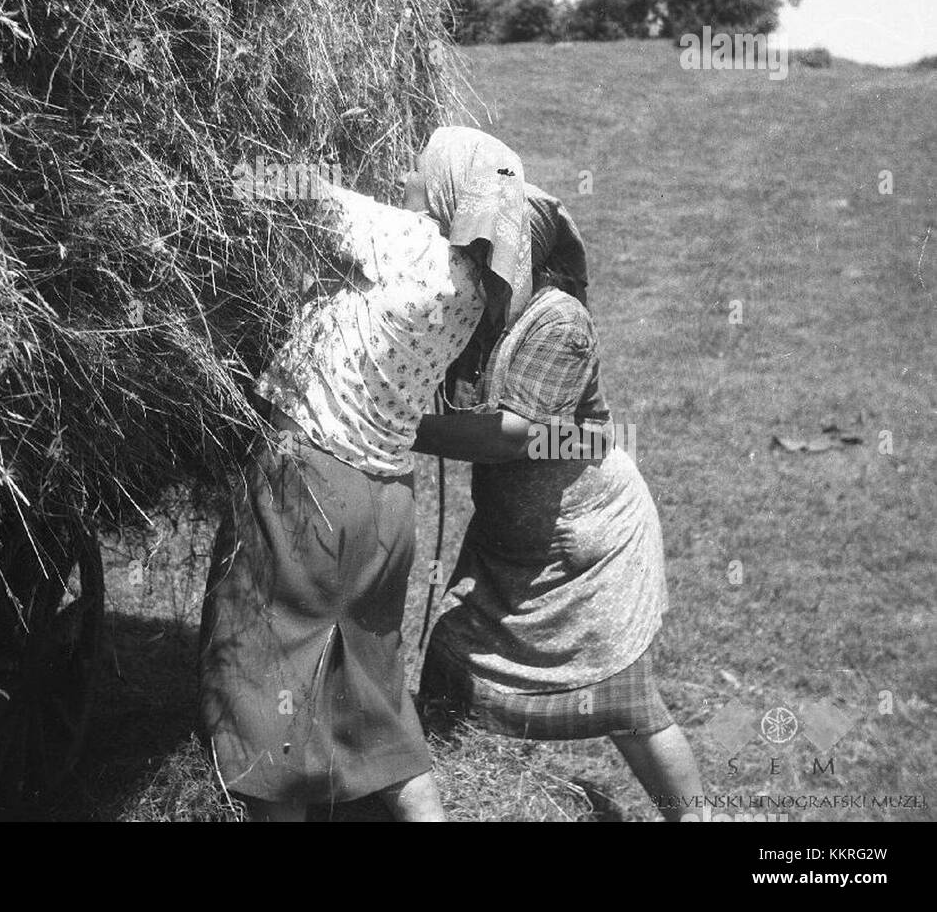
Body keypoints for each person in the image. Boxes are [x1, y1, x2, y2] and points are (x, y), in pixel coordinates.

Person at [198, 126, 539, 821]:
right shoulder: (474, 291)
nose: (405, 180)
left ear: (444, 190)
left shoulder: (410, 241)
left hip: (311, 487)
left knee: (265, 677)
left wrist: (223, 154)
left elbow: (305, 198)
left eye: (418, 170)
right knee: (376, 694)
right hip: (385, 504)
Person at [413, 184, 708, 821]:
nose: (473, 265)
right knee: (451, 658)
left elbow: (516, 434)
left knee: (627, 702)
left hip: (585, 537)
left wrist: (404, 428)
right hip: (513, 538)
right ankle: (445, 792)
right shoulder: (481, 314)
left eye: (488, 255)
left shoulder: (558, 321)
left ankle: (694, 820)